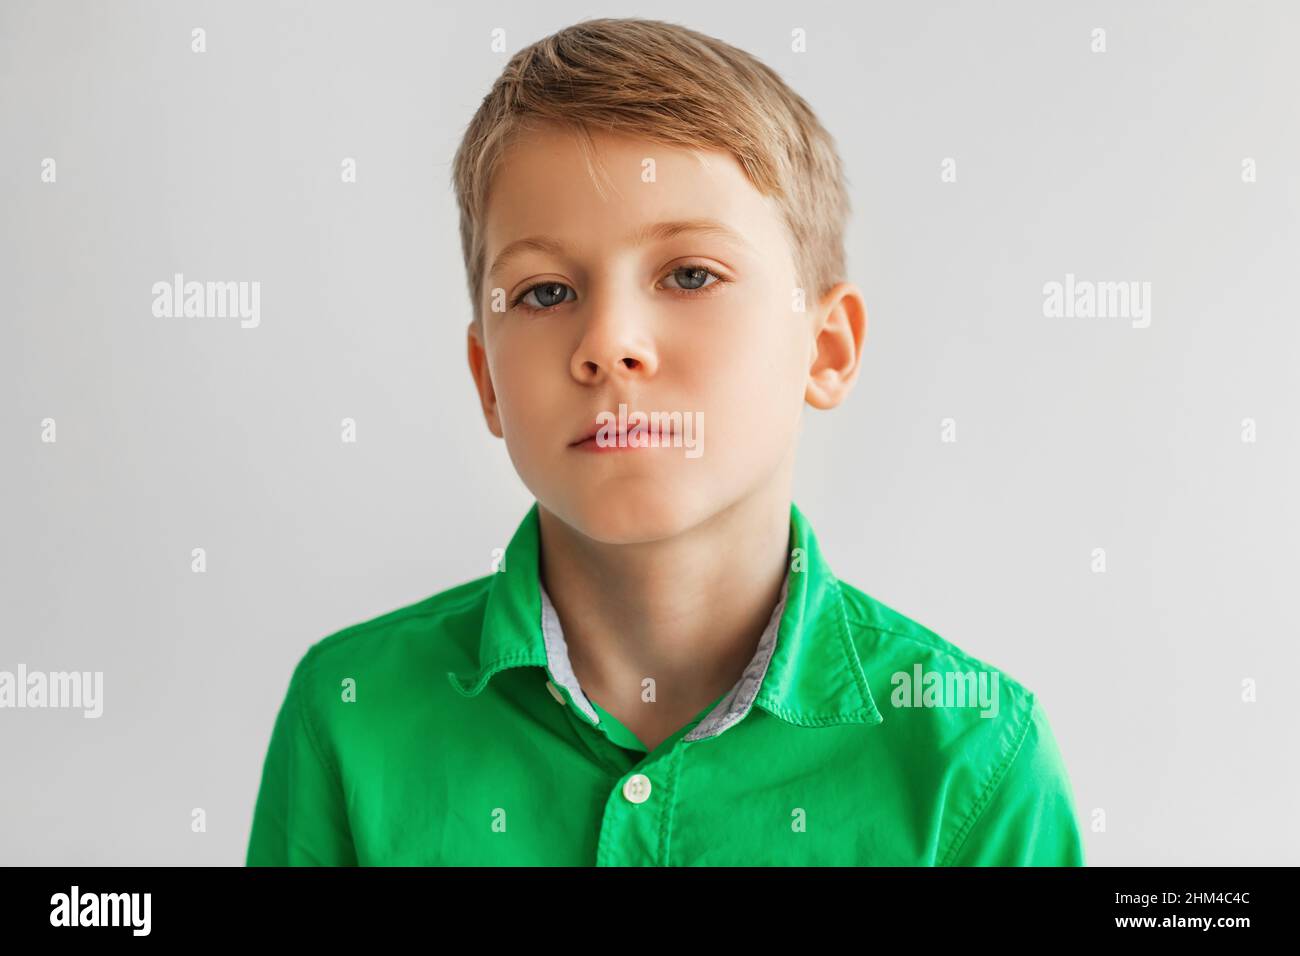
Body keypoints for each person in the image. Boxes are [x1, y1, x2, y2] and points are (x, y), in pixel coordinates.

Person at [247, 17, 1085, 866]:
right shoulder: (347, 715)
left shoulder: (977, 758)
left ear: (825, 349)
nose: (609, 343)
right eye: (544, 293)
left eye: (691, 275)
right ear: (488, 380)